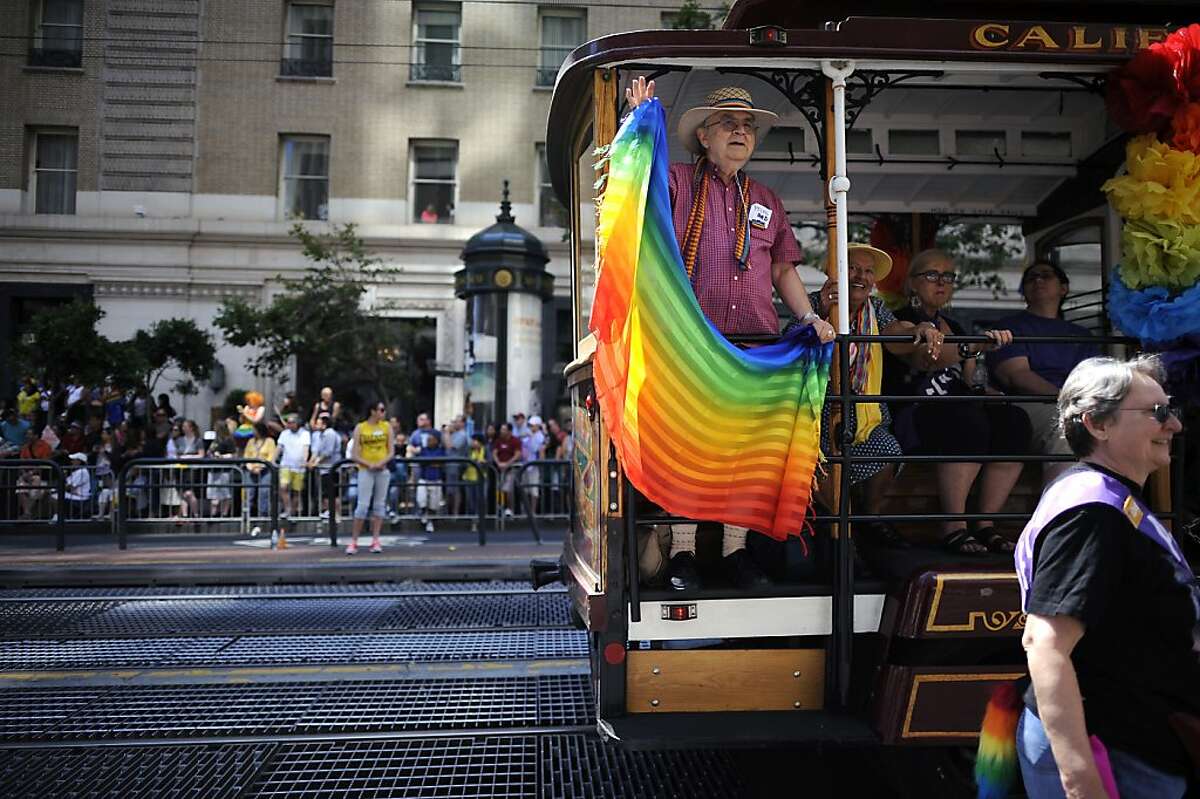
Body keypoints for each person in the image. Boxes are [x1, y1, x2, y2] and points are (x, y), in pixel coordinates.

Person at [626, 76, 838, 591]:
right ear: (704, 136)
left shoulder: (765, 198)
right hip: (690, 344)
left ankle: (736, 553)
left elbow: (784, 269)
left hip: (757, 346)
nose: (741, 132)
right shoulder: (674, 181)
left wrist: (809, 317)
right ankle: (681, 555)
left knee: (742, 450)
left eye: (748, 126)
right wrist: (638, 124)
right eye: (728, 124)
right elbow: (633, 189)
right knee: (688, 448)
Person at [1014, 355, 1196, 798]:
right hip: (1111, 753)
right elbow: (1046, 643)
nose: (1173, 425)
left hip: (1138, 742)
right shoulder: (1091, 512)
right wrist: (1080, 781)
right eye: (1156, 412)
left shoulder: (1112, 500)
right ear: (1097, 423)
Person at [883, 249, 1032, 554]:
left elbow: (966, 380)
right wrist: (974, 345)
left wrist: (987, 392)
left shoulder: (956, 325)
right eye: (932, 275)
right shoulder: (901, 320)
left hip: (955, 408)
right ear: (912, 283)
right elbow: (928, 360)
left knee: (1014, 420)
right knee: (966, 419)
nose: (941, 282)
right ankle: (953, 525)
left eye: (948, 277)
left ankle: (986, 523)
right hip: (914, 413)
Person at [806, 243, 943, 550]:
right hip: (817, 413)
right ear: (834, 270)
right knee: (823, 467)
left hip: (864, 414)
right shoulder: (812, 303)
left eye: (868, 271)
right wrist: (821, 320)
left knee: (887, 449)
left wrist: (921, 327)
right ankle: (839, 534)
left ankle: (868, 518)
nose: (861, 276)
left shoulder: (875, 308)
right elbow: (792, 343)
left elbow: (896, 332)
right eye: (853, 268)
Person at [990, 262, 1101, 483]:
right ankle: (1058, 511)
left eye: (1046, 276)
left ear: (1064, 288)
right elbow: (1017, 375)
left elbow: (1092, 380)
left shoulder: (1081, 334)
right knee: (1066, 426)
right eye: (1031, 278)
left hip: (1074, 404)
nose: (1038, 280)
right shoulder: (1008, 327)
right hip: (1027, 405)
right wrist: (1065, 399)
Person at [347, 401, 393, 554]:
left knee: (379, 505)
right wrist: (368, 464)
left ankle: (376, 539)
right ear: (373, 411)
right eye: (381, 410)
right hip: (365, 469)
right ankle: (354, 541)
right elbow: (354, 453)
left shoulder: (387, 427)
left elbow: (391, 450)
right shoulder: (361, 428)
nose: (383, 413)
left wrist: (381, 462)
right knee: (362, 505)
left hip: (382, 468)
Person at [273, 414, 309, 518]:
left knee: (296, 491)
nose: (289, 424)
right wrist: (273, 460)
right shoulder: (284, 434)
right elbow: (279, 447)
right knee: (283, 487)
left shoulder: (305, 434)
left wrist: (304, 461)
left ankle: (293, 512)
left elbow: (305, 448)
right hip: (286, 464)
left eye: (291, 422)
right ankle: (287, 508)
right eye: (288, 422)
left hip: (298, 467)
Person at [307, 413, 342, 520]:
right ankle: (329, 511)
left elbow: (327, 452)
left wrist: (316, 462)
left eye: (319, 423)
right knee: (326, 492)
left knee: (332, 492)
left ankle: (335, 512)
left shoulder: (329, 434)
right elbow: (317, 451)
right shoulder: (321, 435)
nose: (316, 425)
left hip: (331, 468)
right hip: (324, 469)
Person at [242, 422, 276, 517]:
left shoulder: (270, 441)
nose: (253, 431)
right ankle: (246, 515)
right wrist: (250, 467)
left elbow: (271, 456)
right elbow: (246, 456)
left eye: (254, 429)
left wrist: (260, 467)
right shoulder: (251, 441)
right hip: (251, 470)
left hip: (265, 470)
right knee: (248, 492)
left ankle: (263, 515)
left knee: (264, 492)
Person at [414, 431, 444, 533]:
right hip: (424, 478)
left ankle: (430, 521)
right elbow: (422, 462)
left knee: (433, 503)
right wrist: (431, 462)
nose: (428, 441)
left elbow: (440, 463)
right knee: (421, 499)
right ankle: (423, 515)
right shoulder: (423, 450)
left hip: (436, 479)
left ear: (436, 441)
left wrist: (431, 463)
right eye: (427, 440)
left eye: (430, 440)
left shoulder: (440, 451)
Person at [491, 422, 521, 517]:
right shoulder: (498, 441)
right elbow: (495, 453)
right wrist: (498, 463)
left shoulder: (515, 441)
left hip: (511, 468)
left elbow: (517, 454)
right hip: (499, 469)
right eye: (501, 429)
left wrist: (508, 464)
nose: (501, 431)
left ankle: (510, 508)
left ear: (509, 431)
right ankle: (500, 507)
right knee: (499, 489)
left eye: (504, 429)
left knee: (507, 488)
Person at [64, 452, 92, 519]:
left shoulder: (82, 471)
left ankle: (58, 516)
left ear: (79, 461)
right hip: (73, 494)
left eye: (74, 460)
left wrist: (65, 488)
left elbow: (70, 486)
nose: (71, 461)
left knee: (54, 496)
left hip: (79, 497)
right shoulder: (76, 472)